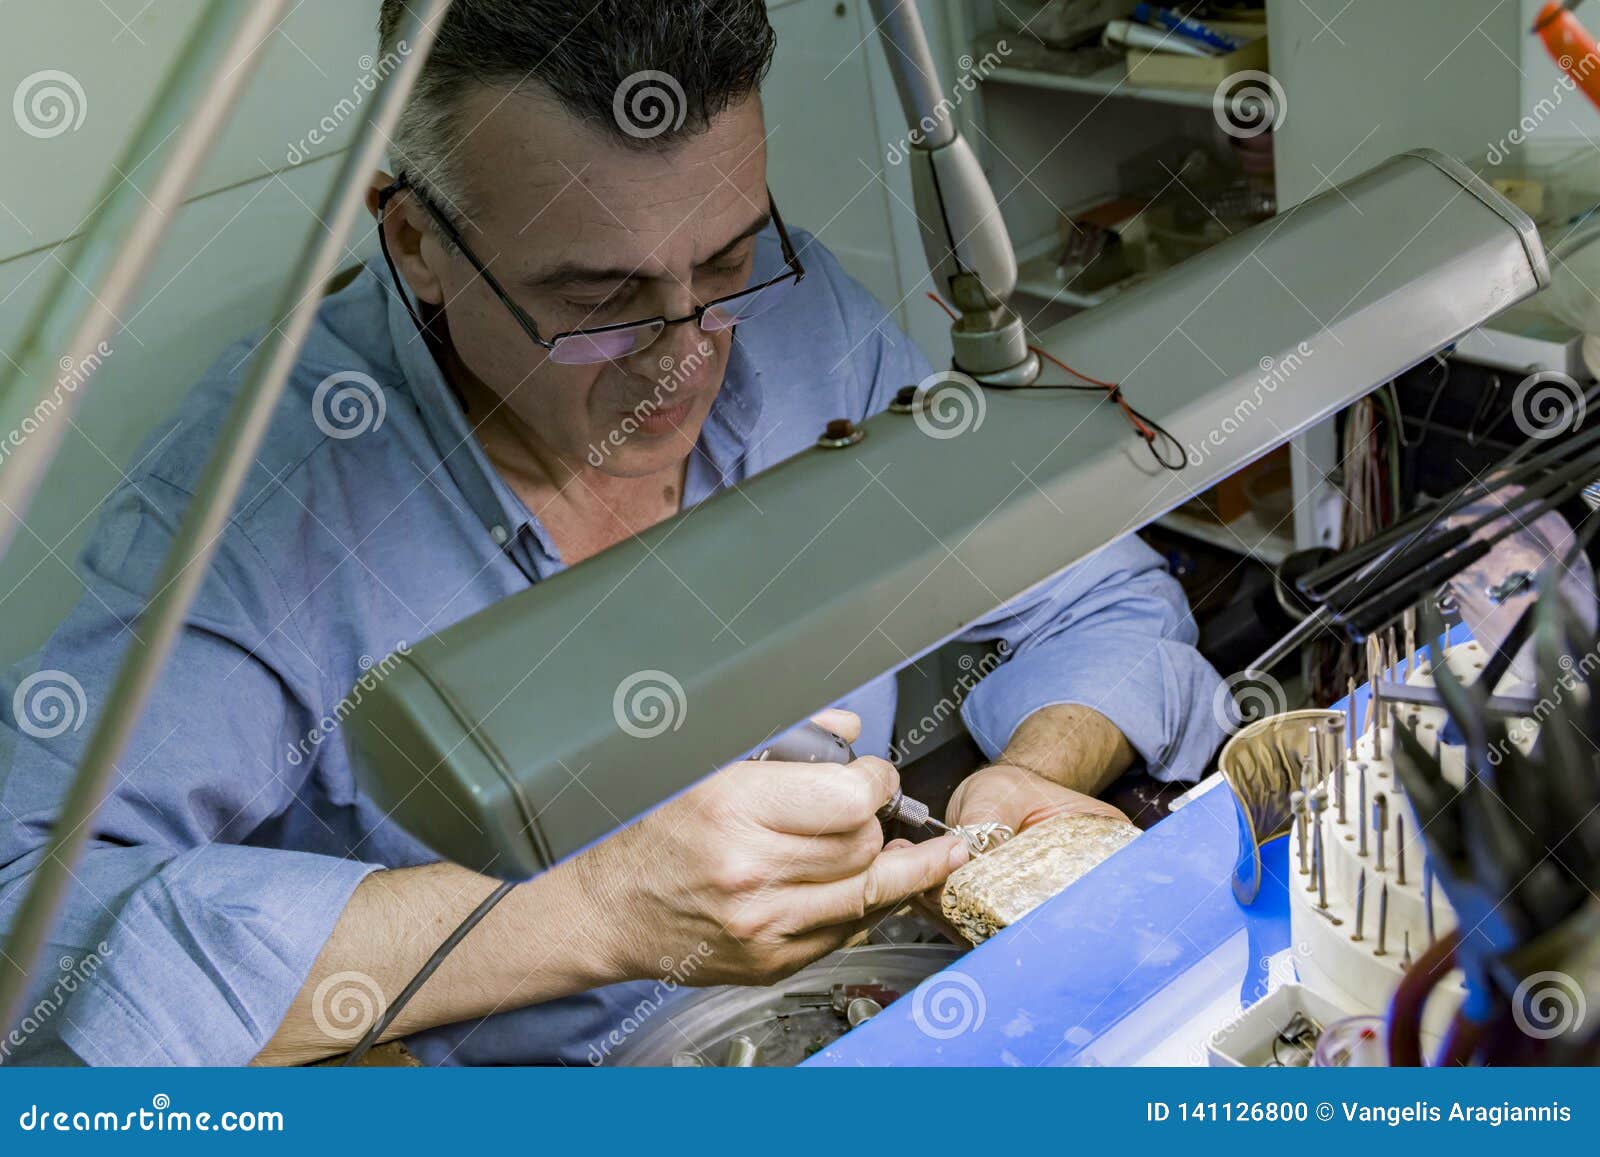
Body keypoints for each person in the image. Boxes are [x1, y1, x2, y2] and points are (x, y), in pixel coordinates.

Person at [0, 0, 1225, 1066]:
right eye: (598, 299)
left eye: (726, 261)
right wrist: (590, 911)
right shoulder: (264, 504)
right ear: (416, 240)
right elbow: (26, 935)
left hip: (874, 1009)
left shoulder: (799, 315)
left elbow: (1095, 593)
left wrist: (1032, 775)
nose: (686, 356)